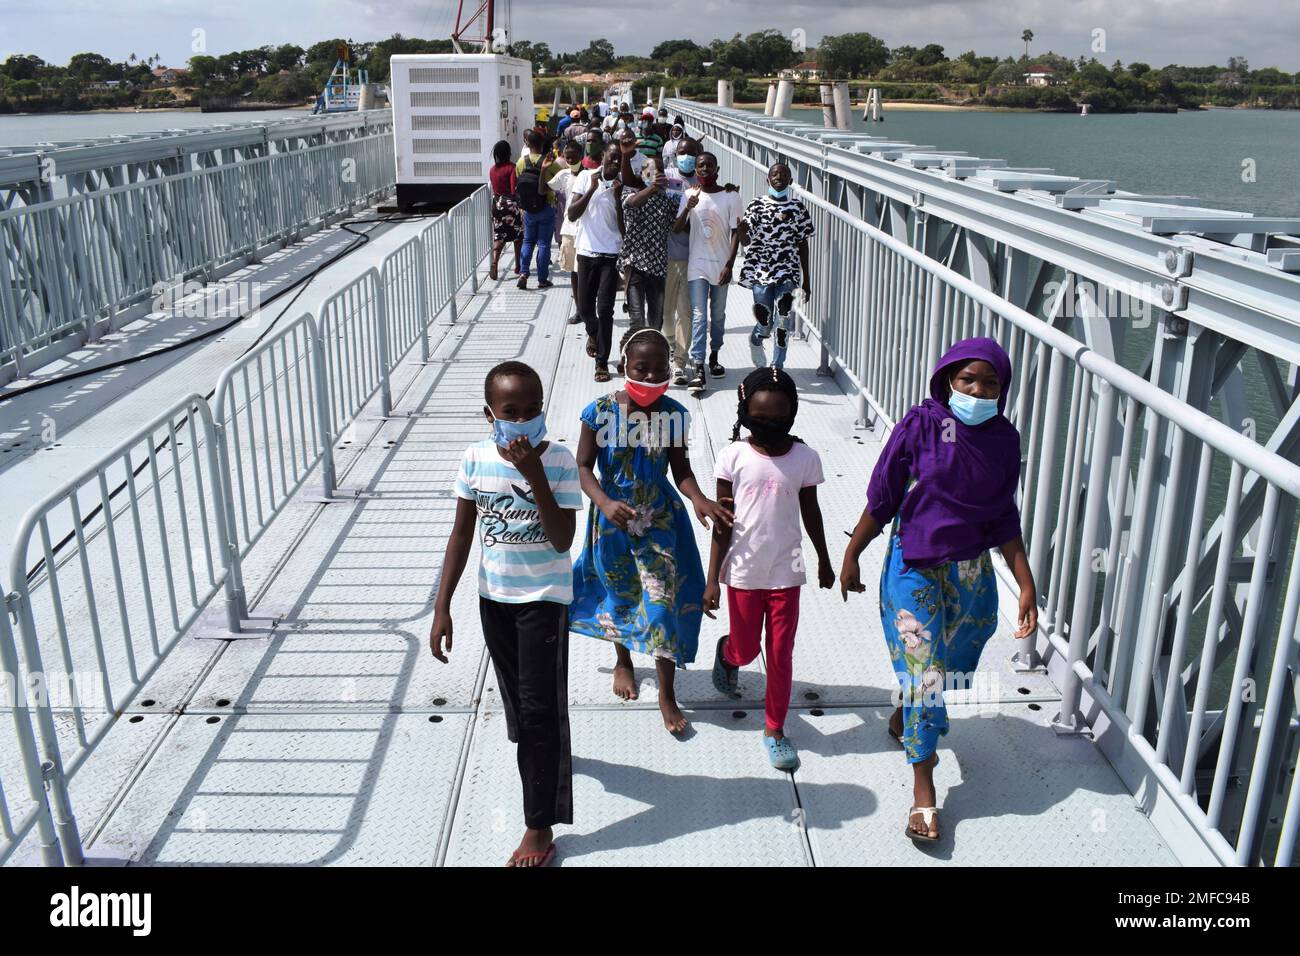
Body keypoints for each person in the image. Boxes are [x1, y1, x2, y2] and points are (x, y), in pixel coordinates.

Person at [839, 337, 1038, 844]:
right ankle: (924, 789)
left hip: (970, 573)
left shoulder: (1004, 440)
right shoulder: (923, 425)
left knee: (962, 653)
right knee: (926, 675)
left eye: (989, 382)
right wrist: (852, 551)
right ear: (947, 379)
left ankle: (907, 713)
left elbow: (1002, 515)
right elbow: (884, 495)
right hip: (917, 566)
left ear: (1003, 388)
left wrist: (1025, 581)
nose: (977, 389)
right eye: (967, 379)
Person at [430, 361, 582, 867]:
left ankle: (539, 825)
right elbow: (461, 534)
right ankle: (538, 747)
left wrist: (533, 474)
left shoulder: (557, 460)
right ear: (490, 414)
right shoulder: (475, 458)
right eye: (510, 411)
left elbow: (563, 539)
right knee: (518, 698)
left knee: (540, 713)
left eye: (531, 409)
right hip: (494, 598)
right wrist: (441, 607)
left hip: (543, 599)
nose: (521, 419)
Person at [571, 328, 732, 733]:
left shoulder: (674, 415)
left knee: (662, 602)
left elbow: (682, 471)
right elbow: (583, 467)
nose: (649, 377)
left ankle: (666, 690)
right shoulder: (599, 412)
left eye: (659, 369)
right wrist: (605, 502)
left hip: (659, 519)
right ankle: (624, 661)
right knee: (620, 592)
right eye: (641, 368)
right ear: (625, 364)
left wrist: (698, 498)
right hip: (612, 520)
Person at [705, 367, 833, 771]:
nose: (770, 423)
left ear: (793, 414)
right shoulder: (732, 457)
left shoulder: (805, 458)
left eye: (780, 417)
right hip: (742, 571)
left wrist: (825, 559)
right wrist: (712, 579)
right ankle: (727, 655)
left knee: (780, 653)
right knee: (747, 649)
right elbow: (723, 523)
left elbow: (811, 511)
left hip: (786, 572)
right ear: (744, 411)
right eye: (760, 415)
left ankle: (775, 729)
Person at [673, 151, 743, 395]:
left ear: (717, 169)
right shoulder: (690, 194)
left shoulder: (731, 196)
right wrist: (687, 209)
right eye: (700, 166)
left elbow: (736, 233)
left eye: (708, 166)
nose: (704, 169)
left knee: (719, 315)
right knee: (700, 315)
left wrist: (729, 265)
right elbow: (677, 228)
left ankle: (714, 355)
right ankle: (699, 366)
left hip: (721, 266)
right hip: (698, 266)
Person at [735, 162, 814, 369]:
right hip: (761, 271)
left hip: (787, 273)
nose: (779, 177)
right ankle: (756, 339)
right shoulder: (756, 205)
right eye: (774, 174)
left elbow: (802, 244)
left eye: (784, 174)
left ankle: (777, 367)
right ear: (767, 179)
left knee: (783, 321)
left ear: (790, 181)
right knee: (765, 322)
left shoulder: (798, 208)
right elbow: (745, 241)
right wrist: (742, 230)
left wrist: (806, 280)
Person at [567, 142, 625, 382]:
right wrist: (591, 190)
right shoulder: (584, 177)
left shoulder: (623, 186)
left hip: (610, 254)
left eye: (619, 159)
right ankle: (593, 332)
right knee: (585, 308)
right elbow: (572, 214)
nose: (614, 162)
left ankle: (602, 362)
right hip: (587, 252)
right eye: (611, 157)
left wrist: (618, 199)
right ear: (603, 156)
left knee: (605, 310)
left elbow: (623, 229)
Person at [619, 155, 677, 342]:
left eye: (660, 171)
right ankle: (634, 355)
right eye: (651, 172)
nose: (656, 175)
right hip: (635, 264)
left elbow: (674, 227)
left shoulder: (666, 200)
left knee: (655, 320)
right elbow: (632, 204)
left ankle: (653, 355)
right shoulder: (631, 193)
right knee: (637, 319)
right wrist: (652, 187)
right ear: (643, 174)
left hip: (658, 266)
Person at [515, 129, 563, 291]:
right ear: (542, 144)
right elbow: (561, 177)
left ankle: (523, 273)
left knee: (528, 241)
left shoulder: (521, 161)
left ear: (527, 144)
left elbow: (518, 180)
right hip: (546, 206)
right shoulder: (548, 162)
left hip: (528, 208)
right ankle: (542, 279)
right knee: (543, 244)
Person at [547, 140, 587, 324]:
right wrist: (543, 170)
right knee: (573, 271)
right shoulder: (563, 175)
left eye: (574, 157)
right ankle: (579, 309)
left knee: (586, 272)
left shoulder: (589, 176)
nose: (571, 160)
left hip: (586, 230)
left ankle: (587, 307)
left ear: (582, 156)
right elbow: (543, 188)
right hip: (569, 230)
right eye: (567, 157)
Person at [488, 139, 522, 281]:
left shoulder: (492, 170)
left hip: (497, 204)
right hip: (511, 205)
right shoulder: (511, 168)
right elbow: (514, 188)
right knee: (517, 236)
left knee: (499, 235)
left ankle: (495, 262)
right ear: (508, 153)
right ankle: (518, 265)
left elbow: (495, 189)